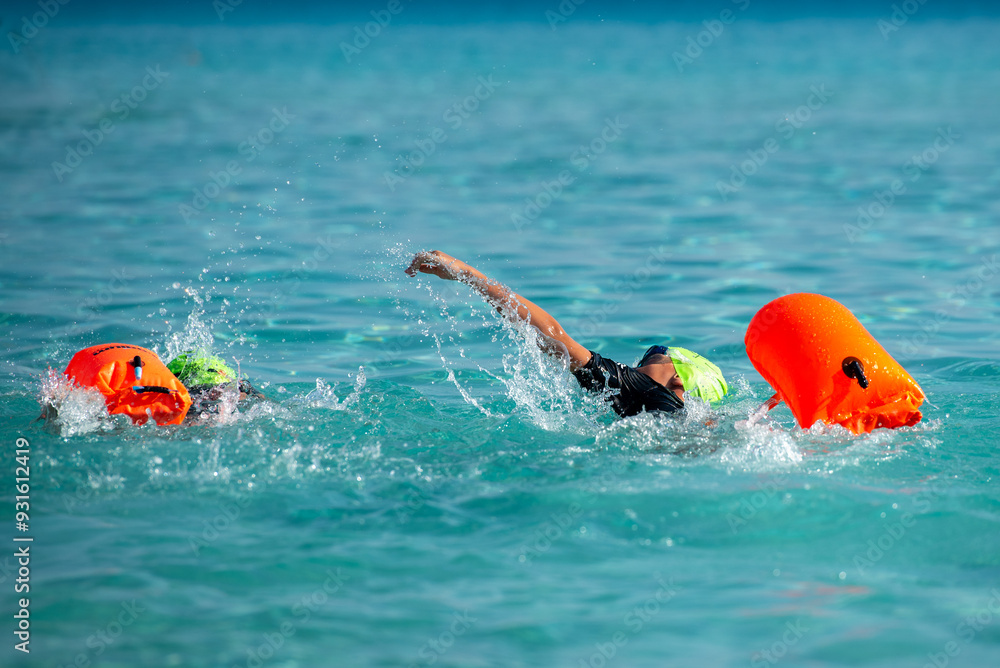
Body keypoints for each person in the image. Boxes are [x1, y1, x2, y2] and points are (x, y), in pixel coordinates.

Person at [405, 250, 728, 418]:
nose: (653, 353)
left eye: (662, 355)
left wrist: (468, 274)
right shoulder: (642, 398)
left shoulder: (631, 385)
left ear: (679, 382)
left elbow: (551, 334)